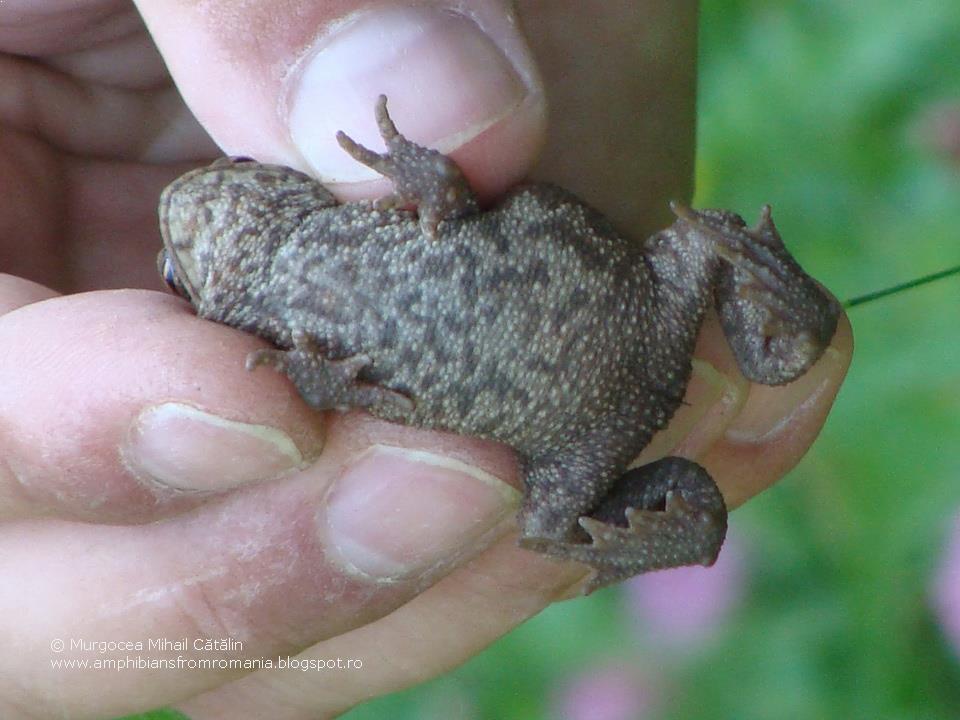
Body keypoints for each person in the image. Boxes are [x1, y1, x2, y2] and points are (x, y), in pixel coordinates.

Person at [0, 1, 853, 718]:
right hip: (624, 340)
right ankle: (788, 346)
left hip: (584, 417)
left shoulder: (288, 348)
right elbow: (441, 189)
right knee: (703, 240)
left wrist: (318, 375)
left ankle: (686, 528)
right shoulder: (345, 230)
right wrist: (407, 159)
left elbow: (329, 384)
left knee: (543, 526)